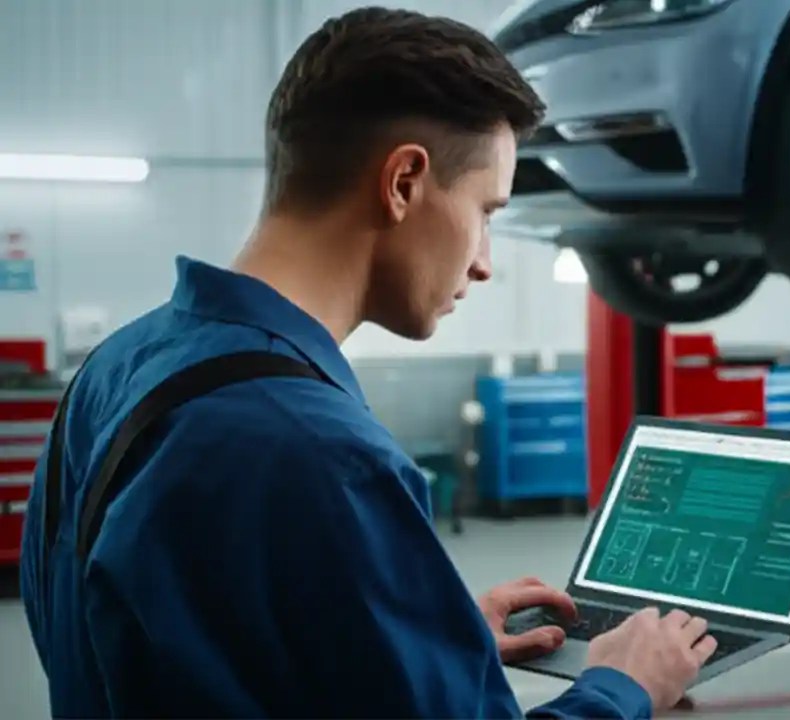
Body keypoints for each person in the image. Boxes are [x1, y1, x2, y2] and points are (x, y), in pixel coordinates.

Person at [19, 7, 716, 718]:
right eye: (486, 211)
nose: (483, 262)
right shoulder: (324, 452)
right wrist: (622, 686)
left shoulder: (111, 372)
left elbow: (146, 647)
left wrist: (425, 645)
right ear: (404, 181)